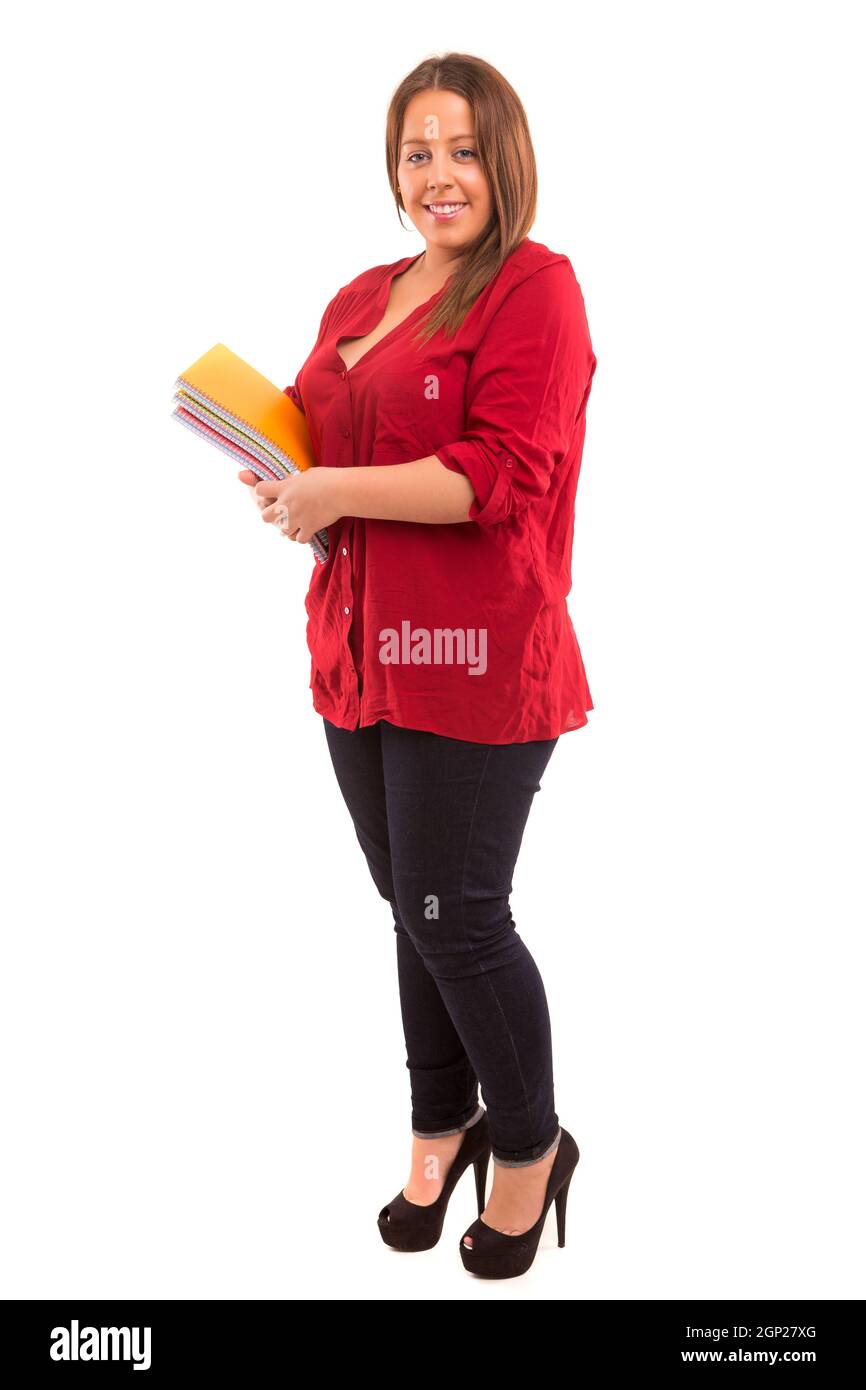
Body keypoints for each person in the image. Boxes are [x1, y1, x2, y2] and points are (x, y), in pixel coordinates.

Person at [240, 52, 597, 1280]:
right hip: (362, 654)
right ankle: (438, 1122)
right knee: (414, 910)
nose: (436, 175)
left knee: (457, 915)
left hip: (476, 659)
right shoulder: (364, 293)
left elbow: (502, 474)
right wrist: (270, 453)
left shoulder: (534, 291)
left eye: (458, 149)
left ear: (502, 158)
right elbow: (309, 417)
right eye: (414, 151)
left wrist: (331, 485)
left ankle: (531, 1146)